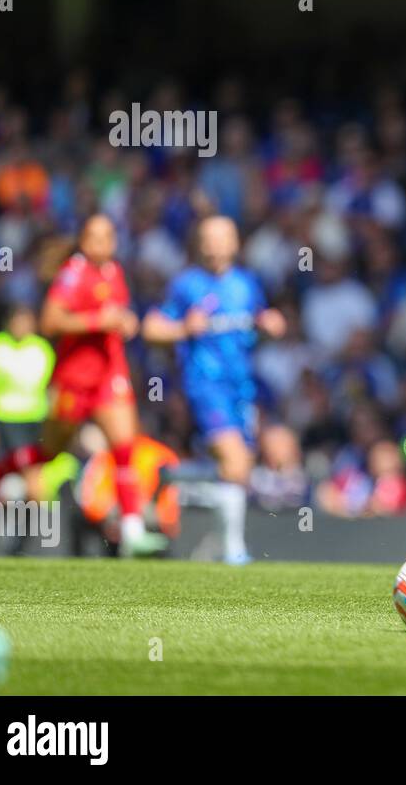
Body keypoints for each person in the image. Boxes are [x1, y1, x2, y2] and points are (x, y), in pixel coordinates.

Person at [0, 214, 165, 557]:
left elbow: (116, 313)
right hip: (75, 379)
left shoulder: (113, 271)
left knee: (125, 446)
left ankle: (132, 529)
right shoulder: (73, 273)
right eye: (95, 237)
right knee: (50, 453)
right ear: (83, 241)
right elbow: (50, 321)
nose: (103, 243)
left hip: (109, 374)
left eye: (108, 236)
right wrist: (99, 321)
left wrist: (126, 322)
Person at [142, 216, 286, 564]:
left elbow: (261, 323)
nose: (218, 245)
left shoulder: (247, 284)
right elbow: (151, 328)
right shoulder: (187, 285)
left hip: (242, 387)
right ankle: (234, 550)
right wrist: (182, 329)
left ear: (236, 243)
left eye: (225, 238)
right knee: (235, 463)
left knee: (239, 470)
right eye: (211, 238)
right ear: (200, 244)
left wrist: (271, 325)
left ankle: (172, 480)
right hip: (206, 385)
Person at [0, 304, 54, 482]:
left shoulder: (43, 350)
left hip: (35, 423)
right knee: (2, 479)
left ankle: (37, 508)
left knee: (35, 477)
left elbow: (52, 389)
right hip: (4, 423)